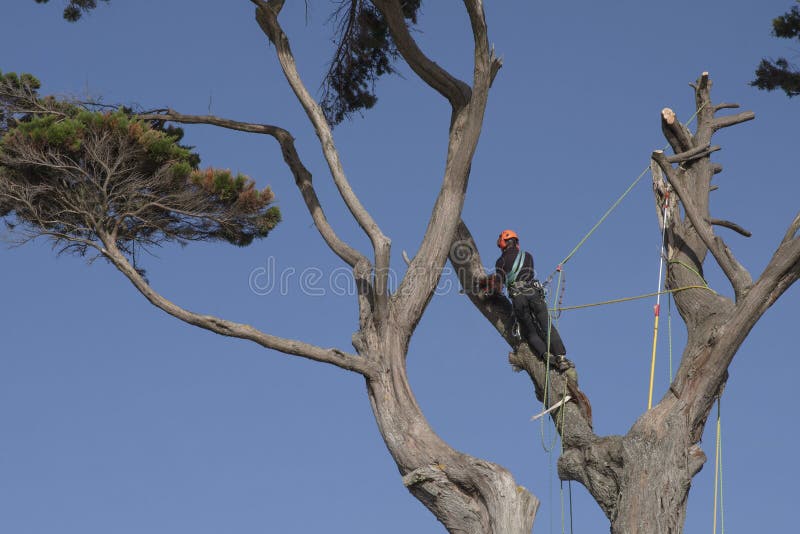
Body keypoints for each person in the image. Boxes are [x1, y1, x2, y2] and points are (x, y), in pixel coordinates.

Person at [481, 229, 571, 371]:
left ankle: (546, 355)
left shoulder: (501, 262)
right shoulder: (527, 256)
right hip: (534, 294)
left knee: (530, 331)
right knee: (547, 326)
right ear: (516, 242)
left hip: (519, 299)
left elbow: (499, 286)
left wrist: (488, 293)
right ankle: (561, 357)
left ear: (503, 243)